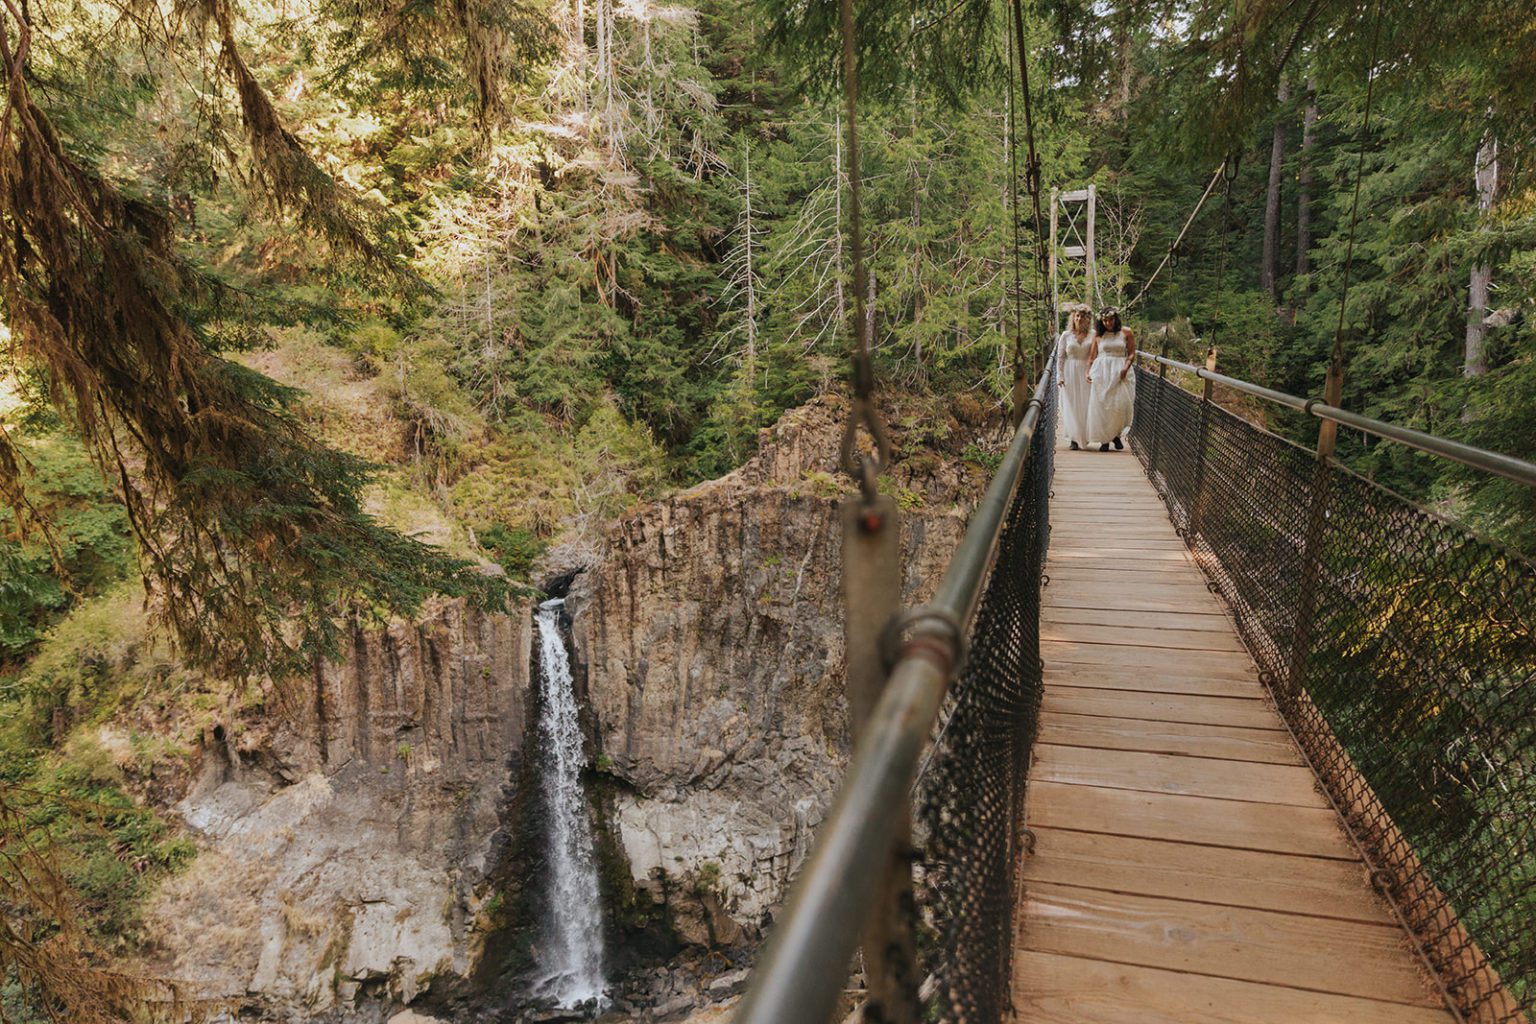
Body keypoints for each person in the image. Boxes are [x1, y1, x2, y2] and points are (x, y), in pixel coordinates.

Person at [1086, 307, 1137, 451]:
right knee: (1102, 405)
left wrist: (1126, 367)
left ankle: (1116, 435)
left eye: (1111, 319)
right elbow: (1092, 356)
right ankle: (1105, 440)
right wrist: (1087, 372)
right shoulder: (1098, 335)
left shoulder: (1126, 332)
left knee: (1118, 405)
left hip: (1120, 371)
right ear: (1101, 321)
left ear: (1116, 319)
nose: (1108, 323)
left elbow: (1132, 353)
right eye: (1105, 320)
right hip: (1101, 371)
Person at [1055, 306, 1095, 450]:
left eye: (1083, 316)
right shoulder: (1065, 335)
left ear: (1087, 319)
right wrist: (1059, 376)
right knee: (1071, 405)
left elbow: (1097, 356)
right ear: (1073, 317)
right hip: (1069, 371)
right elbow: (1060, 357)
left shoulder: (1093, 335)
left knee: (1085, 405)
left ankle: (1084, 436)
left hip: (1087, 373)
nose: (1079, 319)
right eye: (1077, 316)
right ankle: (1073, 438)